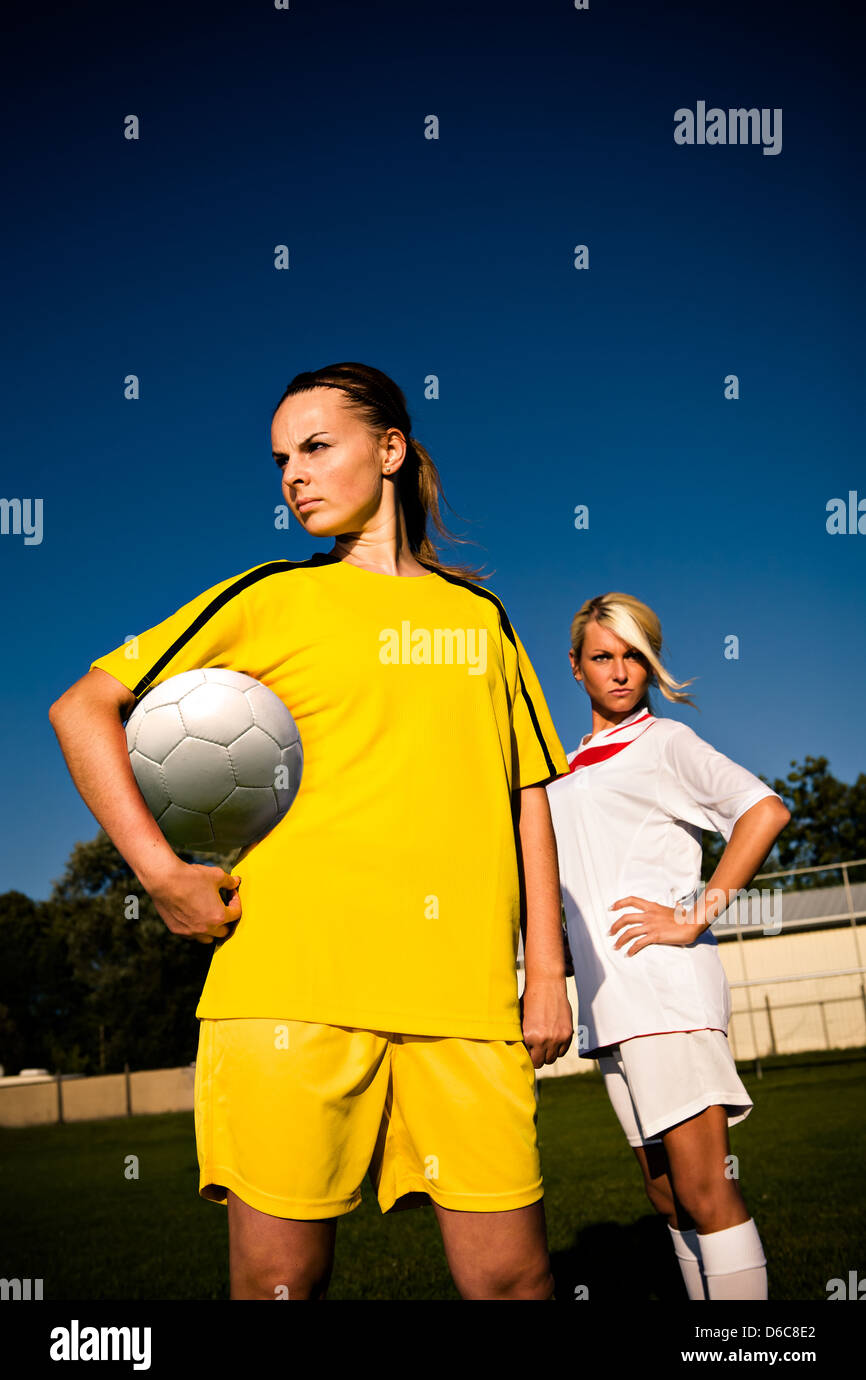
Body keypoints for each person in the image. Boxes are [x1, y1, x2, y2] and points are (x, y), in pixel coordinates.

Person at [48, 361, 574, 1301]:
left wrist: (549, 974)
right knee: (280, 1280)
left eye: (317, 446)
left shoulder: (481, 621)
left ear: (391, 450)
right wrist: (161, 872)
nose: (292, 474)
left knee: (513, 1280)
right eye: (282, 457)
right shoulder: (265, 598)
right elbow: (84, 707)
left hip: (464, 1000)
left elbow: (528, 797)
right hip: (288, 986)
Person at [545, 592, 791, 1301]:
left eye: (634, 657)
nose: (619, 672)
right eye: (603, 657)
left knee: (706, 1189)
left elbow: (764, 810)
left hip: (665, 992)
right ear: (576, 666)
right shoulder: (567, 764)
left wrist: (694, 913)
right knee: (667, 1197)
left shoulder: (666, 744)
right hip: (610, 1007)